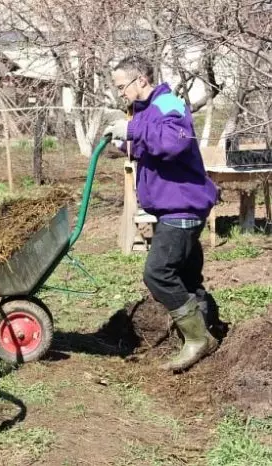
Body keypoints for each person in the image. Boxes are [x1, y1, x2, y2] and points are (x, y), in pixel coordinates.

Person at [103, 55, 225, 372]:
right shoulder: (147, 110)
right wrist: (125, 141)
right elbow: (153, 149)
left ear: (140, 79)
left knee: (157, 273)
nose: (121, 93)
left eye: (122, 87)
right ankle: (206, 329)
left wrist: (132, 128)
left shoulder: (169, 102)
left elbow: (174, 143)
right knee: (185, 276)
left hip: (182, 205)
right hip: (171, 205)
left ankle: (199, 340)